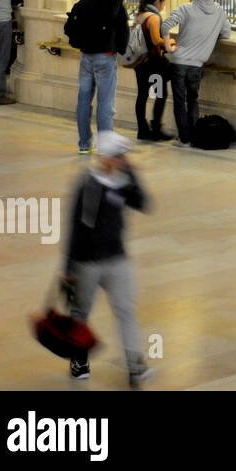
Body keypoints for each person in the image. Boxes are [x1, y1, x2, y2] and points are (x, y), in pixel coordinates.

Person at [62, 130, 155, 388]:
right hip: (88, 262)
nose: (124, 159)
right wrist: (69, 268)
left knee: (126, 310)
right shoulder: (89, 186)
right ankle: (79, 362)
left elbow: (144, 203)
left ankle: (135, 367)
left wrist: (132, 175)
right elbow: (77, 227)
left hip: (116, 258)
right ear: (106, 157)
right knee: (81, 311)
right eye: (119, 155)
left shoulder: (122, 181)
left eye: (124, 155)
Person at [70, 0, 142, 153]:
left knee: (83, 100)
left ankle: (84, 144)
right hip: (105, 54)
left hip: (86, 54)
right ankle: (105, 145)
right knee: (105, 103)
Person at [161, 0, 232, 148]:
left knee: (179, 101)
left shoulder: (185, 8)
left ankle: (183, 139)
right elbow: (226, 34)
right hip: (197, 63)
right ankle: (194, 137)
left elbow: (165, 26)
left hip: (178, 61)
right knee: (193, 99)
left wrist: (168, 47)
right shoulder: (219, 11)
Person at [132, 0, 172, 142]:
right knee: (161, 94)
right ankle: (156, 130)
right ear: (157, 2)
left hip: (140, 63)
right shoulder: (153, 17)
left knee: (142, 95)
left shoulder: (140, 16)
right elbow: (156, 40)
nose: (163, 7)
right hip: (153, 64)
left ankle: (142, 130)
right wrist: (170, 42)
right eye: (163, 3)